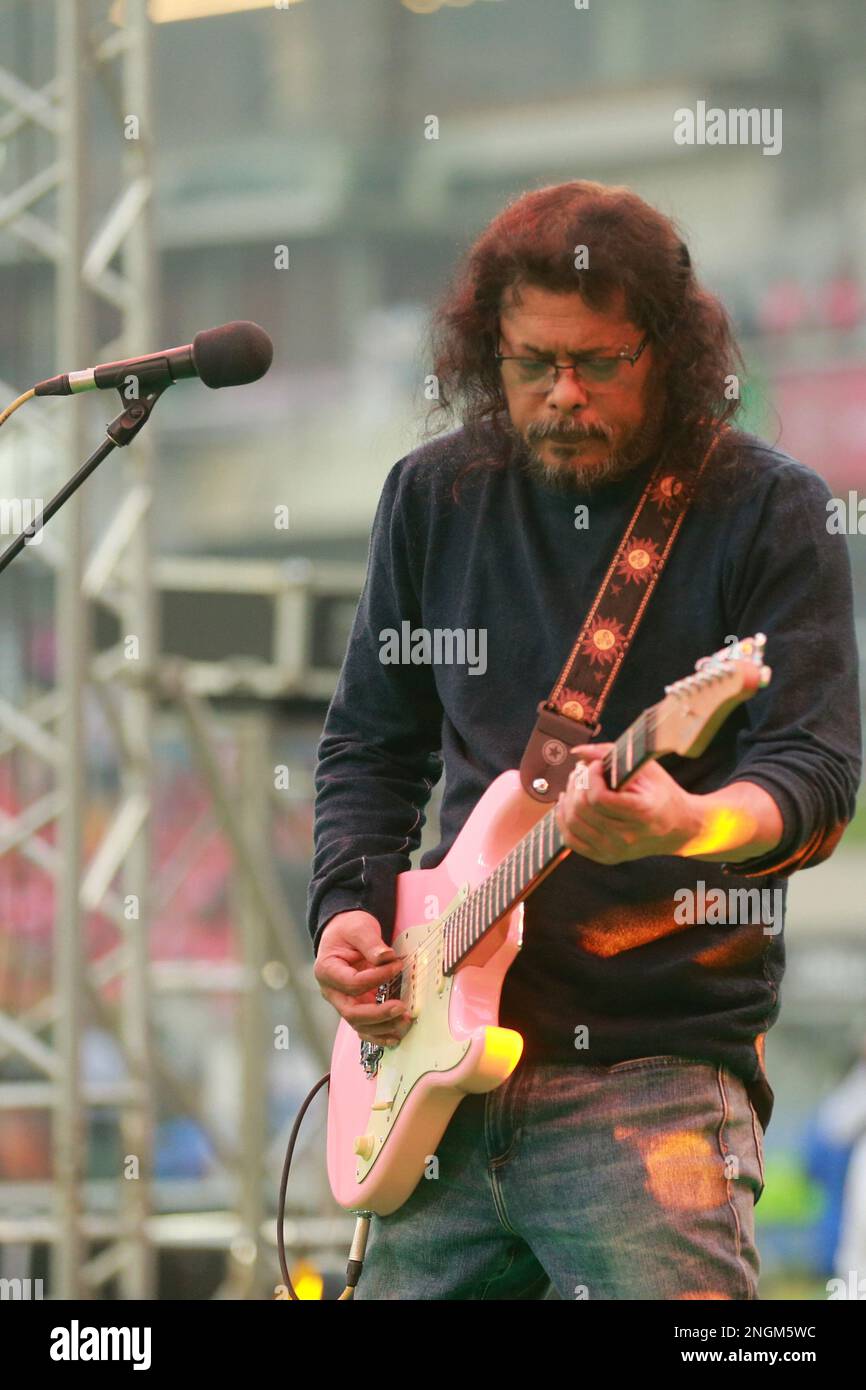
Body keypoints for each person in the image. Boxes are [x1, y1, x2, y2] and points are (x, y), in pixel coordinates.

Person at [307, 181, 862, 1300]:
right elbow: (372, 744)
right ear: (486, 354)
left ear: (664, 350)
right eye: (529, 364)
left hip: (649, 1078)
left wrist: (690, 820)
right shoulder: (431, 496)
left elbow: (812, 777)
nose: (561, 394)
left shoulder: (765, 510)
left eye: (598, 362)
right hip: (433, 1076)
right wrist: (348, 911)